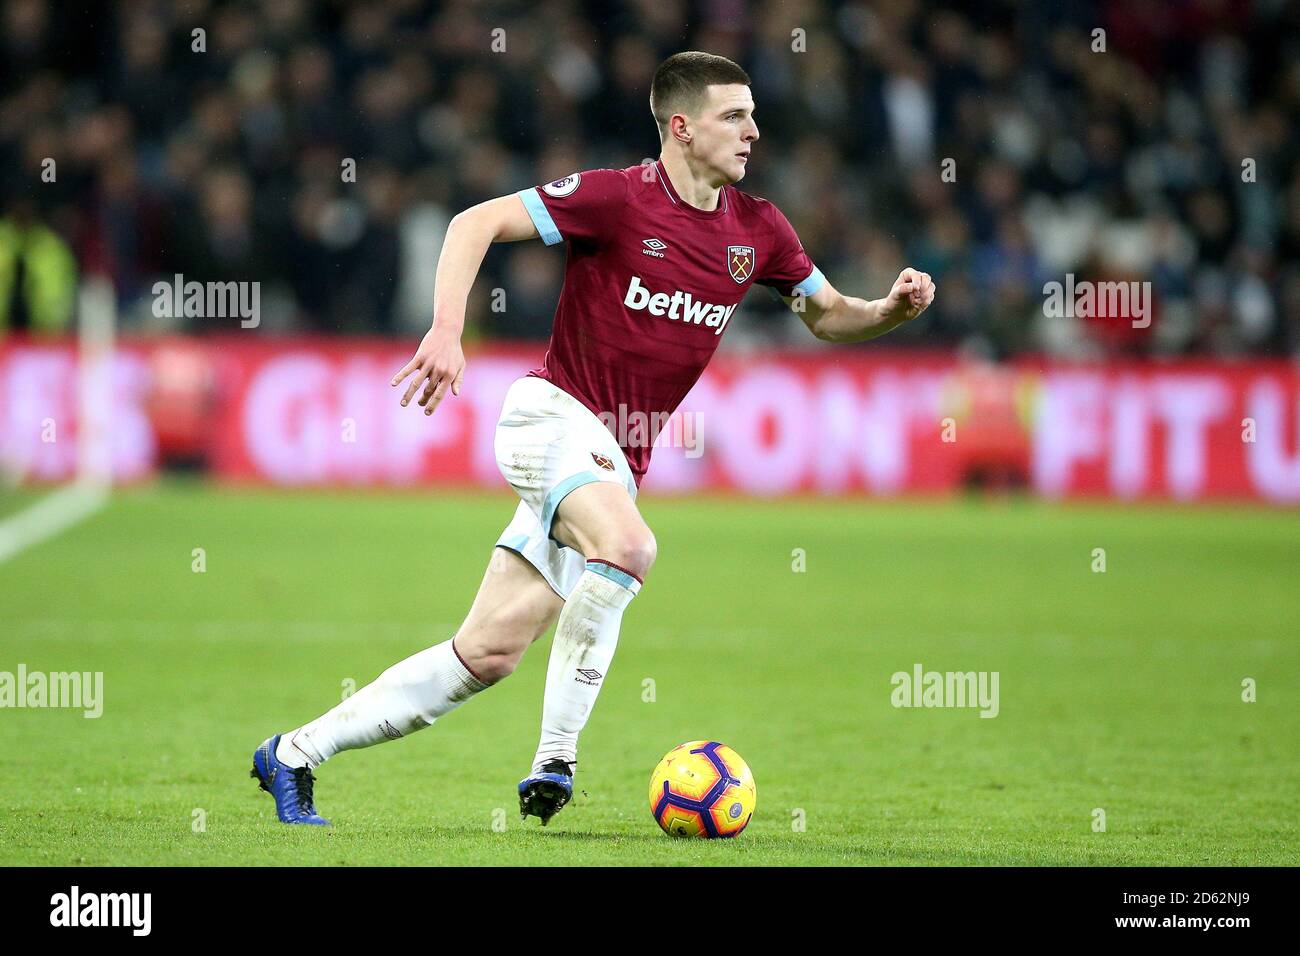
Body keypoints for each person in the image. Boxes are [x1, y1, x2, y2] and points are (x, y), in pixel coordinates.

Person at [251, 51, 935, 826]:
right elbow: (474, 221)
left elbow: (826, 312)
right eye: (733, 116)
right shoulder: (616, 199)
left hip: (609, 463)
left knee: (486, 654)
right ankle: (556, 757)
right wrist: (447, 328)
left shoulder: (760, 229)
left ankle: (294, 753)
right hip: (550, 420)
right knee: (632, 548)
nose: (753, 131)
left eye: (751, 114)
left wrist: (889, 312)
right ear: (681, 127)